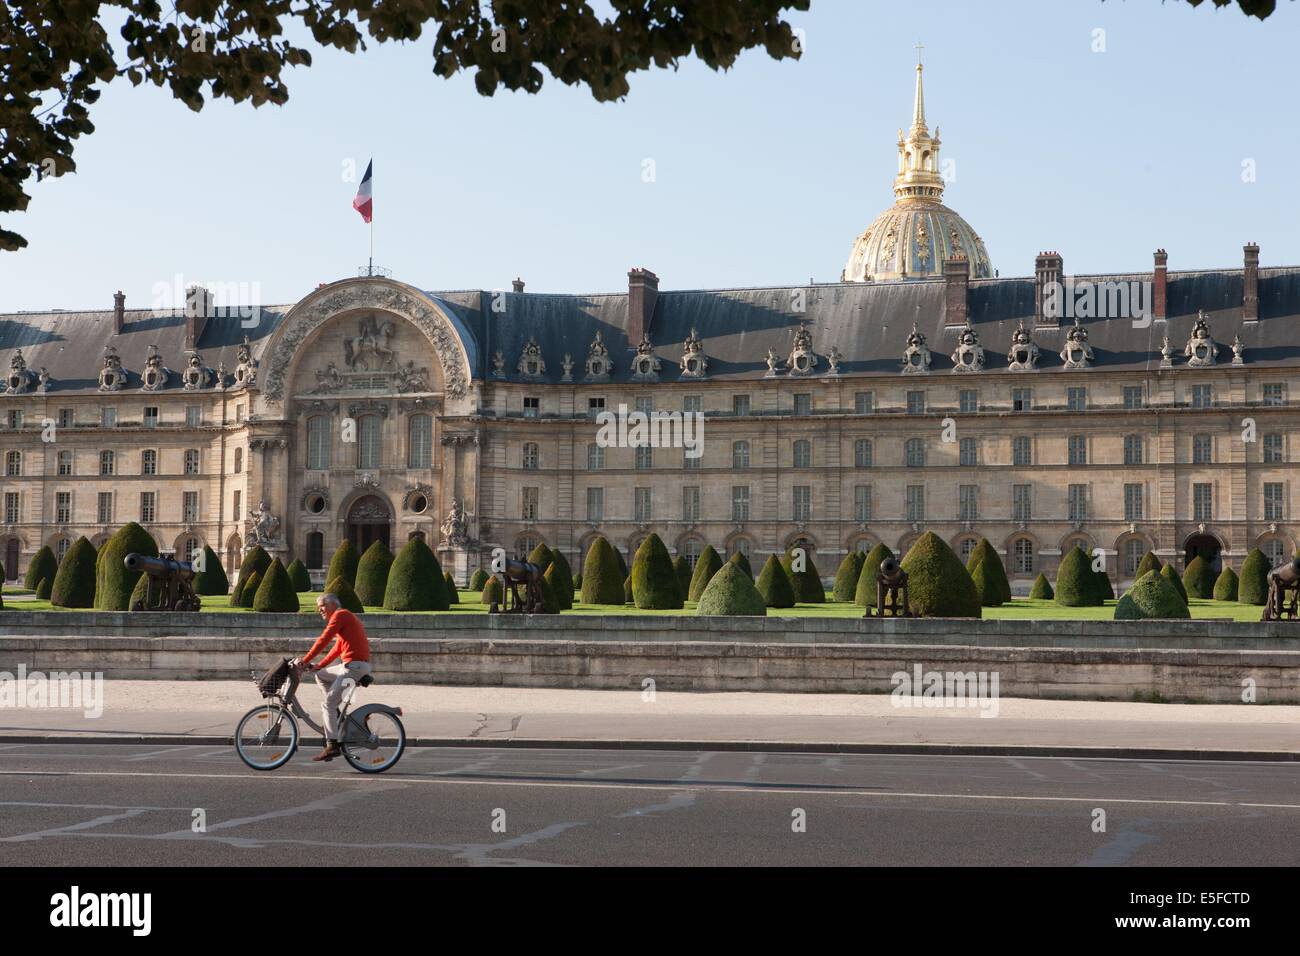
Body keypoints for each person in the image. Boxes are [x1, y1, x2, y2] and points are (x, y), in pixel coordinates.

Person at [292, 593, 372, 762]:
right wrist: (319, 666)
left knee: (327, 703)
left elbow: (324, 639)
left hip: (353, 666)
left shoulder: (340, 615)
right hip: (352, 665)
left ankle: (332, 745)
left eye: (322, 605)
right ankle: (335, 717)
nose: (319, 610)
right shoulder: (345, 619)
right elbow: (336, 648)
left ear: (333, 605)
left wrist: (305, 661)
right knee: (320, 675)